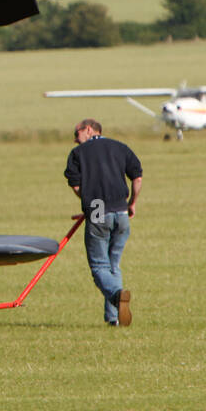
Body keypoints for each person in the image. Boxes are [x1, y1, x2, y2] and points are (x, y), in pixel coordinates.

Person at [64, 118, 143, 326]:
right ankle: (113, 318)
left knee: (99, 265)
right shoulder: (120, 147)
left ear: (88, 129)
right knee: (113, 265)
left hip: (98, 208)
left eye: (77, 133)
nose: (75, 139)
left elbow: (75, 185)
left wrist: (90, 202)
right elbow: (137, 178)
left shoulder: (78, 154)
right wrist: (132, 203)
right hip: (121, 209)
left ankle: (117, 298)